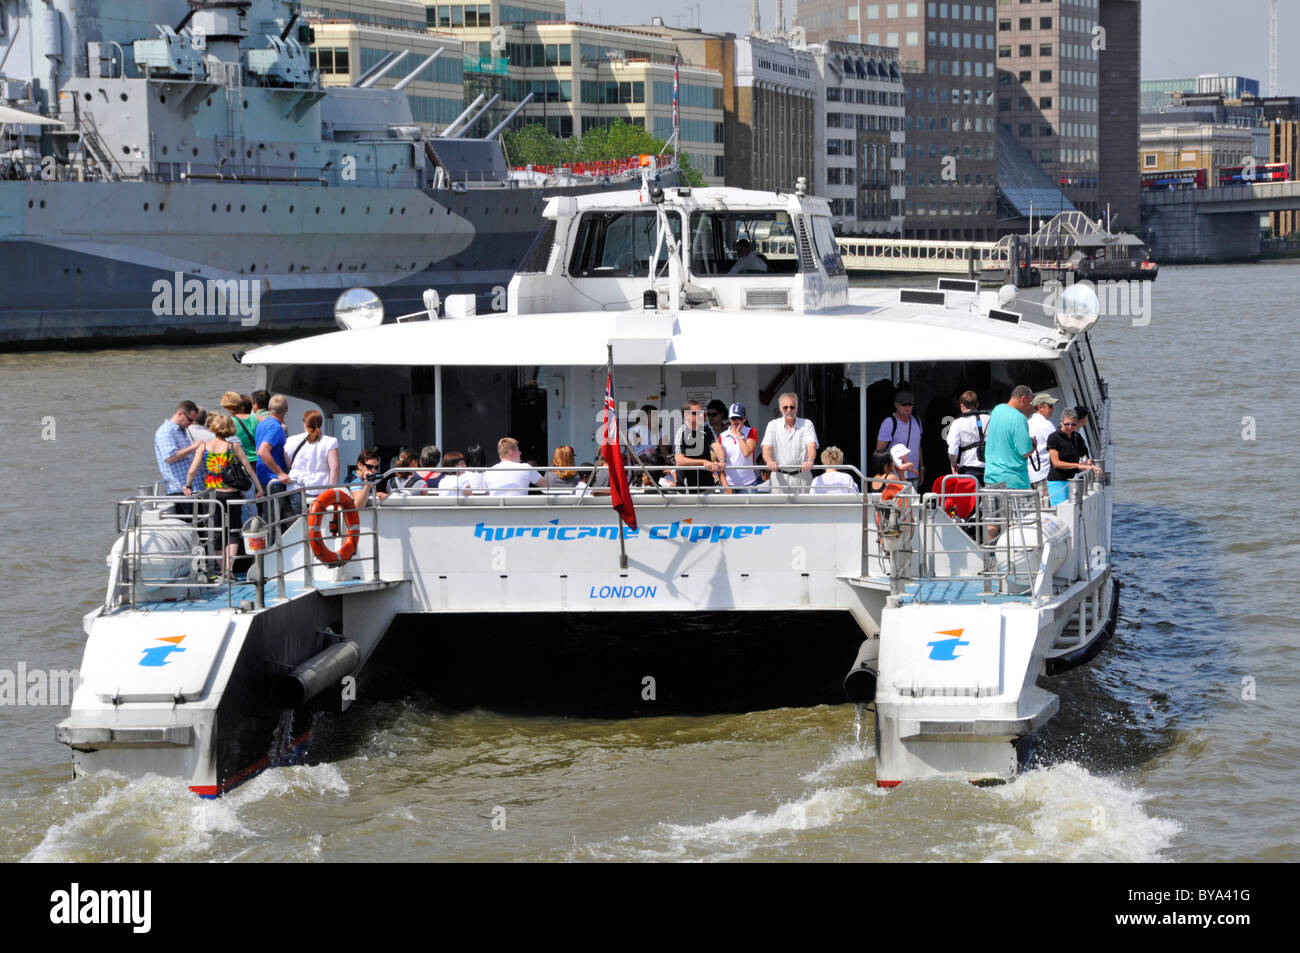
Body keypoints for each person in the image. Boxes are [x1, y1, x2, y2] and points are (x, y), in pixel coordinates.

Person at [182, 412, 263, 578]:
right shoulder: (234, 447)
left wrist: (188, 485)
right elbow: (248, 469)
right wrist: (259, 489)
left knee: (216, 531)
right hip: (232, 494)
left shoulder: (204, 446)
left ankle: (220, 569)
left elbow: (193, 469)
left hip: (213, 495)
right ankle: (229, 569)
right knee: (233, 530)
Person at [982, 385, 1037, 490]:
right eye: (1030, 403)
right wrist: (1033, 444)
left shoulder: (997, 409)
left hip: (991, 478)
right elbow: (1025, 451)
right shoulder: (1019, 418)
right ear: (1023, 399)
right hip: (1013, 482)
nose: (1029, 407)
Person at [762, 392, 818, 490]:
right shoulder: (772, 425)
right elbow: (766, 448)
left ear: (796, 407)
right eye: (785, 407)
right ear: (780, 408)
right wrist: (769, 461)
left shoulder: (807, 424)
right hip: (779, 478)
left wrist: (810, 460)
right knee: (779, 506)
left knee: (804, 506)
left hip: (802, 477)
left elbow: (812, 446)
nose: (789, 410)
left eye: (792, 407)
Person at [1046, 409, 1102, 505]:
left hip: (1074, 481)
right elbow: (1056, 463)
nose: (1070, 427)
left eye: (1073, 424)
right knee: (1061, 511)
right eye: (1067, 424)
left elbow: (1084, 454)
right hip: (1058, 482)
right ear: (1061, 422)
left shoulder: (1077, 437)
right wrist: (1077, 465)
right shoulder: (1054, 438)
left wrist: (1089, 464)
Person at [255, 394, 296, 521]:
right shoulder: (276, 428)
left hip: (263, 476)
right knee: (273, 520)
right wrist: (280, 473)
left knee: (273, 517)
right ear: (286, 410)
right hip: (274, 480)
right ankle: (272, 540)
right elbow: (263, 451)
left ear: (268, 408)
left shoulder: (262, 424)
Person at [876, 389, 923, 490]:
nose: (907, 407)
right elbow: (879, 452)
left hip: (913, 475)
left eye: (910, 404)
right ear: (896, 405)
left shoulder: (917, 420)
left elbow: (918, 446)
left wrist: (922, 467)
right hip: (894, 477)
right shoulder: (889, 423)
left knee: (911, 505)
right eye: (903, 404)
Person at [285, 410, 340, 493]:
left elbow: (288, 463)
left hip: (296, 487)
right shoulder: (330, 441)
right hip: (320, 488)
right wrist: (331, 489)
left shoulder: (291, 440)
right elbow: (334, 467)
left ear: (305, 423)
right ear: (320, 423)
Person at [674, 400, 723, 491]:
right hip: (687, 488)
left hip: (707, 485)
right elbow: (679, 460)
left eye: (702, 413)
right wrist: (703, 462)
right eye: (696, 413)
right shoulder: (681, 432)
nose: (701, 415)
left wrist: (722, 461)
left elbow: (717, 446)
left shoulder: (707, 428)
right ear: (686, 415)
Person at [155, 400, 200, 499]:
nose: (191, 424)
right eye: (190, 420)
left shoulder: (181, 431)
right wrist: (192, 447)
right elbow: (170, 457)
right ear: (180, 414)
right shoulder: (165, 431)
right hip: (180, 490)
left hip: (193, 489)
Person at [947, 390, 990, 485]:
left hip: (969, 471)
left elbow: (953, 450)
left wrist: (953, 464)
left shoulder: (957, 423)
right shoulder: (989, 419)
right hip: (989, 470)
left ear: (962, 406)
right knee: (989, 499)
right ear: (977, 404)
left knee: (969, 499)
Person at [718, 402, 759, 492]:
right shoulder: (723, 436)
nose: (736, 422)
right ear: (729, 419)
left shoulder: (751, 431)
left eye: (739, 418)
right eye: (733, 418)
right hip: (729, 483)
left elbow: (746, 452)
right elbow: (720, 460)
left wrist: (739, 435)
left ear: (744, 419)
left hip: (748, 483)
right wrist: (725, 485)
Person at [1028, 393, 1059, 498]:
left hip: (1029, 475)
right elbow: (1058, 448)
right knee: (1045, 508)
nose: (1052, 409)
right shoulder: (1047, 425)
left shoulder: (1027, 423)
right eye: (1050, 406)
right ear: (1040, 407)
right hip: (1044, 474)